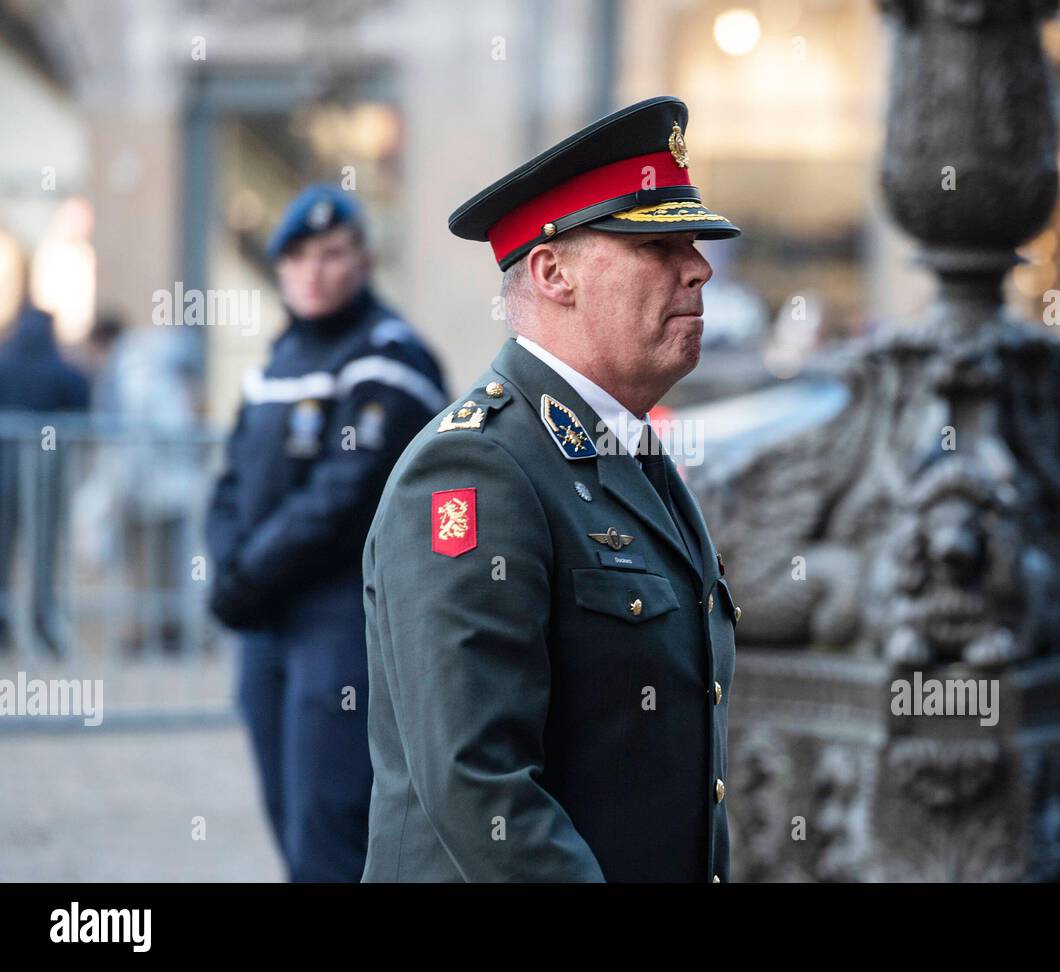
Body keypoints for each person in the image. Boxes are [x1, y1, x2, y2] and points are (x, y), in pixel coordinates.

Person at [362, 96, 743, 882]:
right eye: (658, 244)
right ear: (553, 271)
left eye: (694, 242)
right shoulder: (476, 471)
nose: (698, 266)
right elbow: (483, 788)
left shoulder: (626, 449)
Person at [204, 184, 448, 882]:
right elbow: (229, 483)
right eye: (298, 257)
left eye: (332, 254)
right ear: (280, 268)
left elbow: (342, 497)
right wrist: (226, 568)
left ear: (364, 261)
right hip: (265, 619)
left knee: (330, 825)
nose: (314, 271)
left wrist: (244, 577)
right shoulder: (277, 363)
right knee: (287, 816)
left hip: (341, 622)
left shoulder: (391, 357)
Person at [0, 301, 90, 656]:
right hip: (47, 470)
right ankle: (41, 620)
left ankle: (9, 620)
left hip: (8, 469)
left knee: (7, 547)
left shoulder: (6, 365)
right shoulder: (60, 370)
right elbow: (81, 400)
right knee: (43, 549)